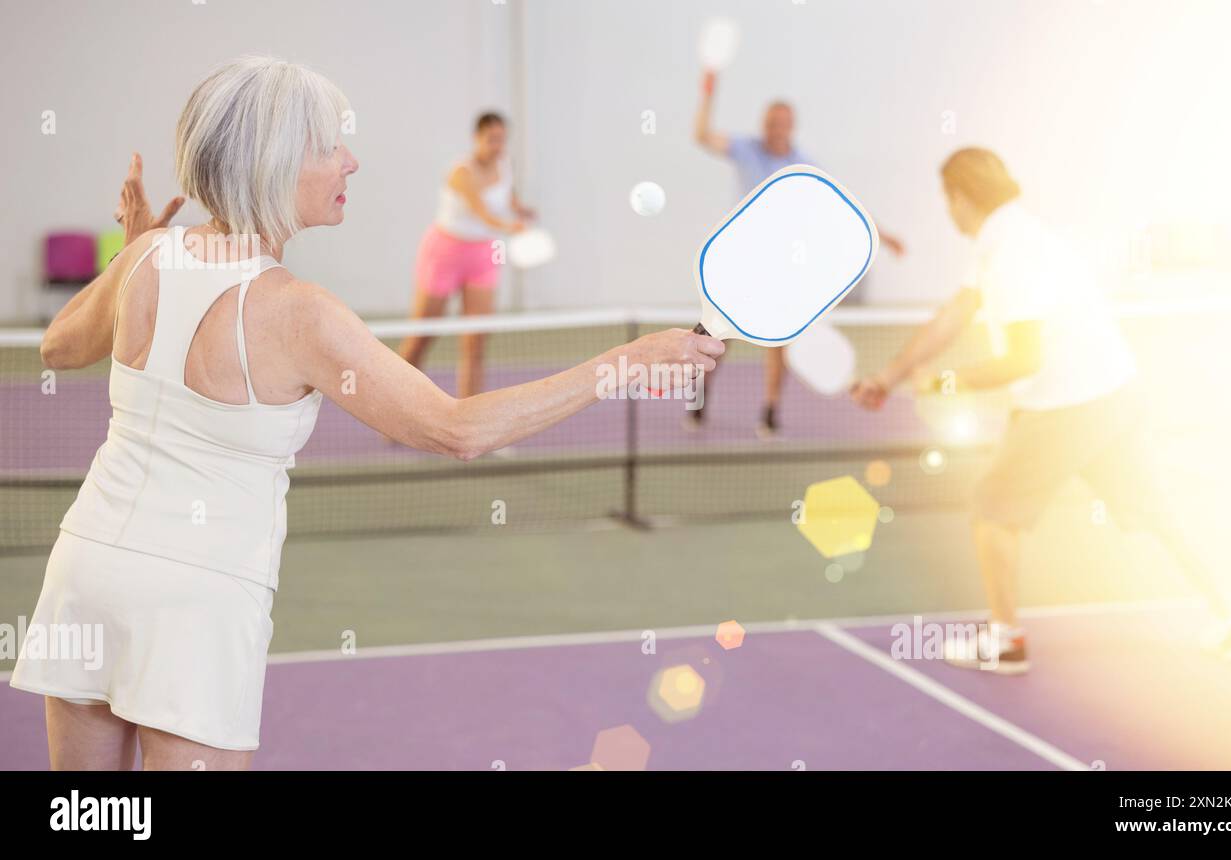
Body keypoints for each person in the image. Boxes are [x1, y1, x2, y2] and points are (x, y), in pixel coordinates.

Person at [8, 56, 723, 770]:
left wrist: (133, 248)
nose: (352, 161)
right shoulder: (300, 313)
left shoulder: (145, 259)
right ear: (275, 162)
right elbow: (459, 430)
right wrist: (626, 363)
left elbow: (59, 348)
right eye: (329, 147)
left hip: (87, 568)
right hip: (195, 600)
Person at [851, 147, 1231, 674]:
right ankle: (1230, 617)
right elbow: (955, 313)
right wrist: (891, 377)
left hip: (1067, 406)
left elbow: (1024, 359)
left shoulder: (1011, 256)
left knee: (992, 509)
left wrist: (949, 382)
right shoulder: (1012, 237)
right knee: (1154, 511)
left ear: (959, 198)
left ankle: (1006, 641)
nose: (948, 212)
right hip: (1115, 393)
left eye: (947, 200)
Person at [693, 69, 904, 438]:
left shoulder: (805, 165)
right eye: (771, 122)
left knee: (779, 342)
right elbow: (701, 135)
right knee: (716, 338)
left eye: (782, 123)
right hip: (741, 263)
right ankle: (700, 395)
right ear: (764, 124)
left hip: (780, 270)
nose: (776, 128)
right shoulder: (745, 149)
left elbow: (843, 204)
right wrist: (708, 94)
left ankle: (770, 409)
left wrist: (883, 236)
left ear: (791, 127)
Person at [396, 112, 535, 398]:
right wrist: (513, 226)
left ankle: (471, 419)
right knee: (421, 338)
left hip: (484, 256)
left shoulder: (504, 163)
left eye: (502, 140)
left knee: (475, 344)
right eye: (491, 139)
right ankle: (392, 404)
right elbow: (482, 214)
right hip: (444, 254)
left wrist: (520, 209)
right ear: (476, 138)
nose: (497, 145)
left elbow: (506, 197)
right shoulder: (461, 173)